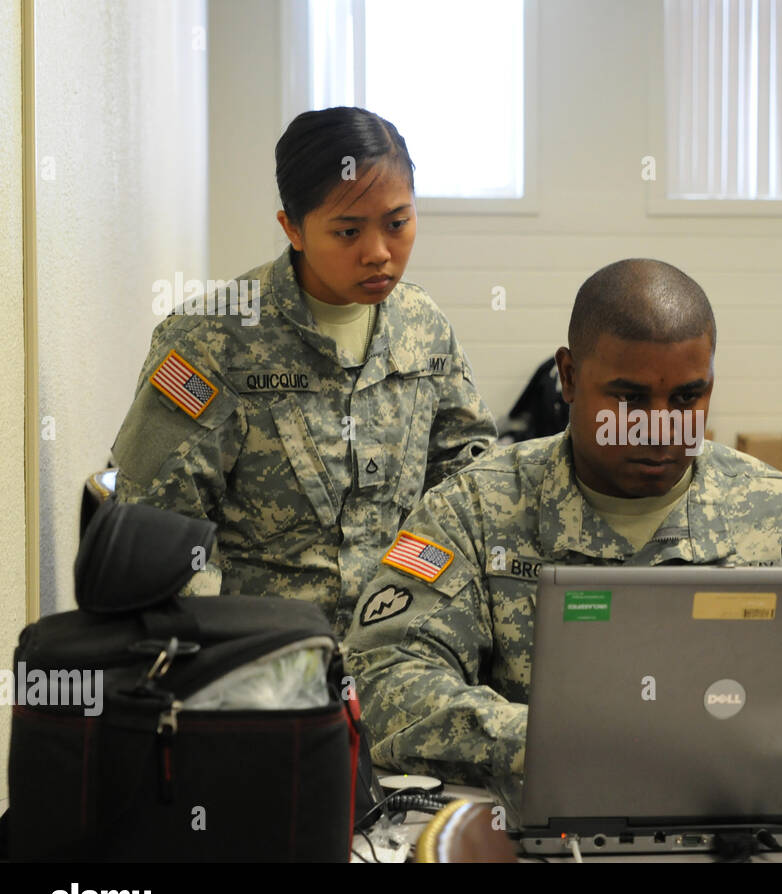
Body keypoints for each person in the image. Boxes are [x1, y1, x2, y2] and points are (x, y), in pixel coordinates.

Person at [344, 259, 782, 793]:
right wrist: (559, 742)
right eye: (629, 398)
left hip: (736, 829)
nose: (660, 427)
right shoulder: (475, 510)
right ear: (568, 377)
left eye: (686, 397)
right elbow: (383, 681)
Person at [111, 107, 496, 636]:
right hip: (262, 654)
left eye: (397, 223)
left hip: (401, 644)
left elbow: (467, 475)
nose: (378, 253)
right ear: (292, 227)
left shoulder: (422, 325)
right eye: (347, 232)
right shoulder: (211, 340)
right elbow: (159, 527)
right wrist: (223, 657)